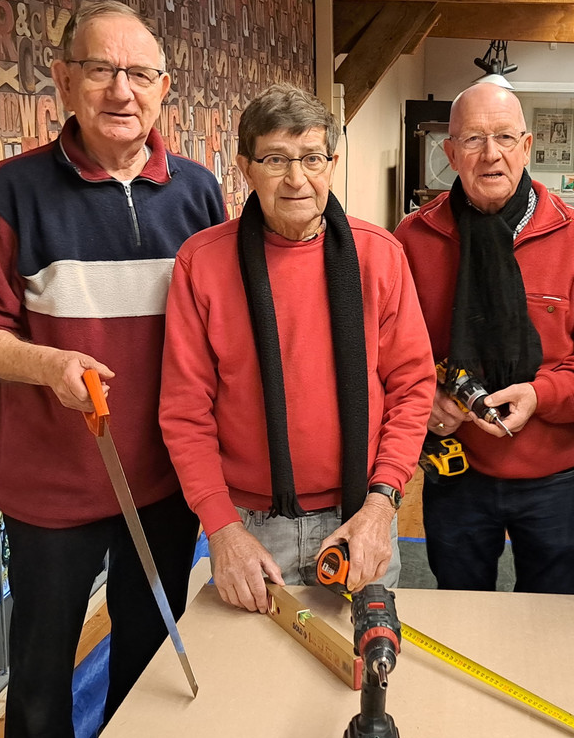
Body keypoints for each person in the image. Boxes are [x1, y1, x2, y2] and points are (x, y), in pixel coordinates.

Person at [0, 1, 225, 738]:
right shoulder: (11, 193)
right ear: (65, 80)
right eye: (100, 70)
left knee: (143, 667)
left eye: (139, 74)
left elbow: (224, 332)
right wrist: (45, 363)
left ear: (164, 89)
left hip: (162, 487)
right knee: (36, 690)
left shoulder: (200, 194)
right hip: (51, 492)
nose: (120, 91)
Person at [159, 84, 435, 613]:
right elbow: (184, 411)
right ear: (245, 166)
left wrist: (381, 505)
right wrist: (221, 529)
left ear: (332, 162)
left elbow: (412, 387)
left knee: (365, 675)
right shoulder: (203, 264)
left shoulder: (380, 256)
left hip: (362, 515)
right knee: (256, 685)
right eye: (276, 159)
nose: (296, 178)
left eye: (311, 158)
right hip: (251, 531)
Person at [397, 82, 574, 594]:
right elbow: (384, 355)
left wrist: (540, 394)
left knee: (550, 618)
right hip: (453, 470)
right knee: (459, 609)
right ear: (450, 153)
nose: (491, 153)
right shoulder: (411, 241)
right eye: (473, 139)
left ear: (526, 146)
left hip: (553, 476)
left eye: (504, 136)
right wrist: (427, 398)